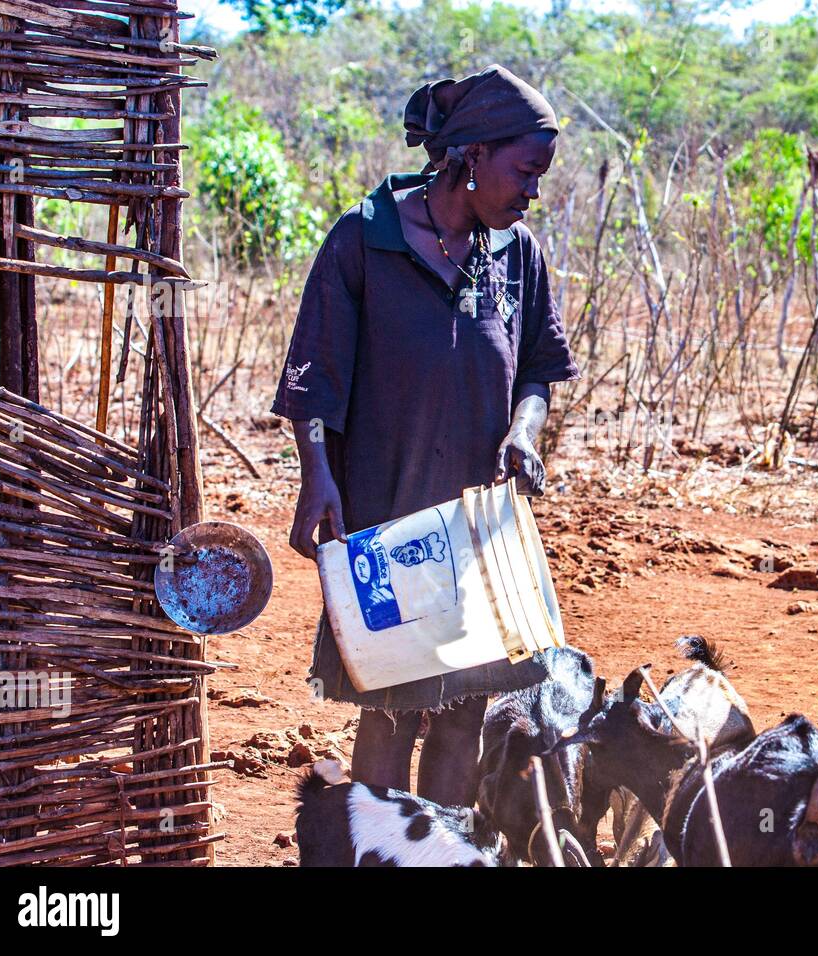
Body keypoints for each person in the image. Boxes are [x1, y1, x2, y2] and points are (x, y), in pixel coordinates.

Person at [271, 64, 577, 803]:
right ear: (473, 157)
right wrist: (317, 475)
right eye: (526, 172)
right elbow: (314, 380)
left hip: (479, 523)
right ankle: (379, 848)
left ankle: (441, 852)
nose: (533, 192)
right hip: (386, 513)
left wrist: (524, 431)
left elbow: (537, 368)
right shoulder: (364, 241)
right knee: (389, 712)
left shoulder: (517, 253)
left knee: (465, 714)